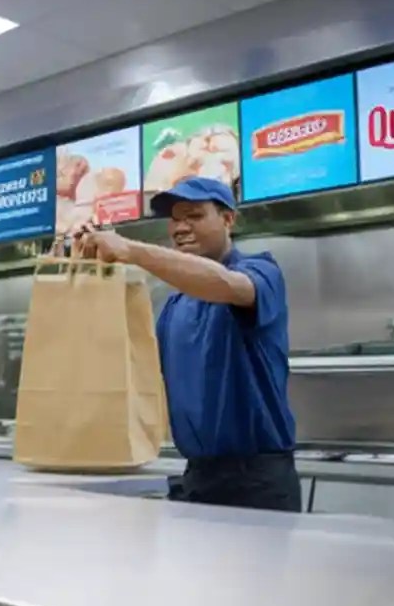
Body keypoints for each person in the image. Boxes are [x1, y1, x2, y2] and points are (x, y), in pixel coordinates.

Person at [75, 176, 300, 512]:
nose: (180, 227)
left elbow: (227, 284)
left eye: (194, 216)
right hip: (197, 476)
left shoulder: (261, 271)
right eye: (175, 219)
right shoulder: (175, 306)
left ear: (228, 219)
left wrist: (132, 250)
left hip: (258, 480)